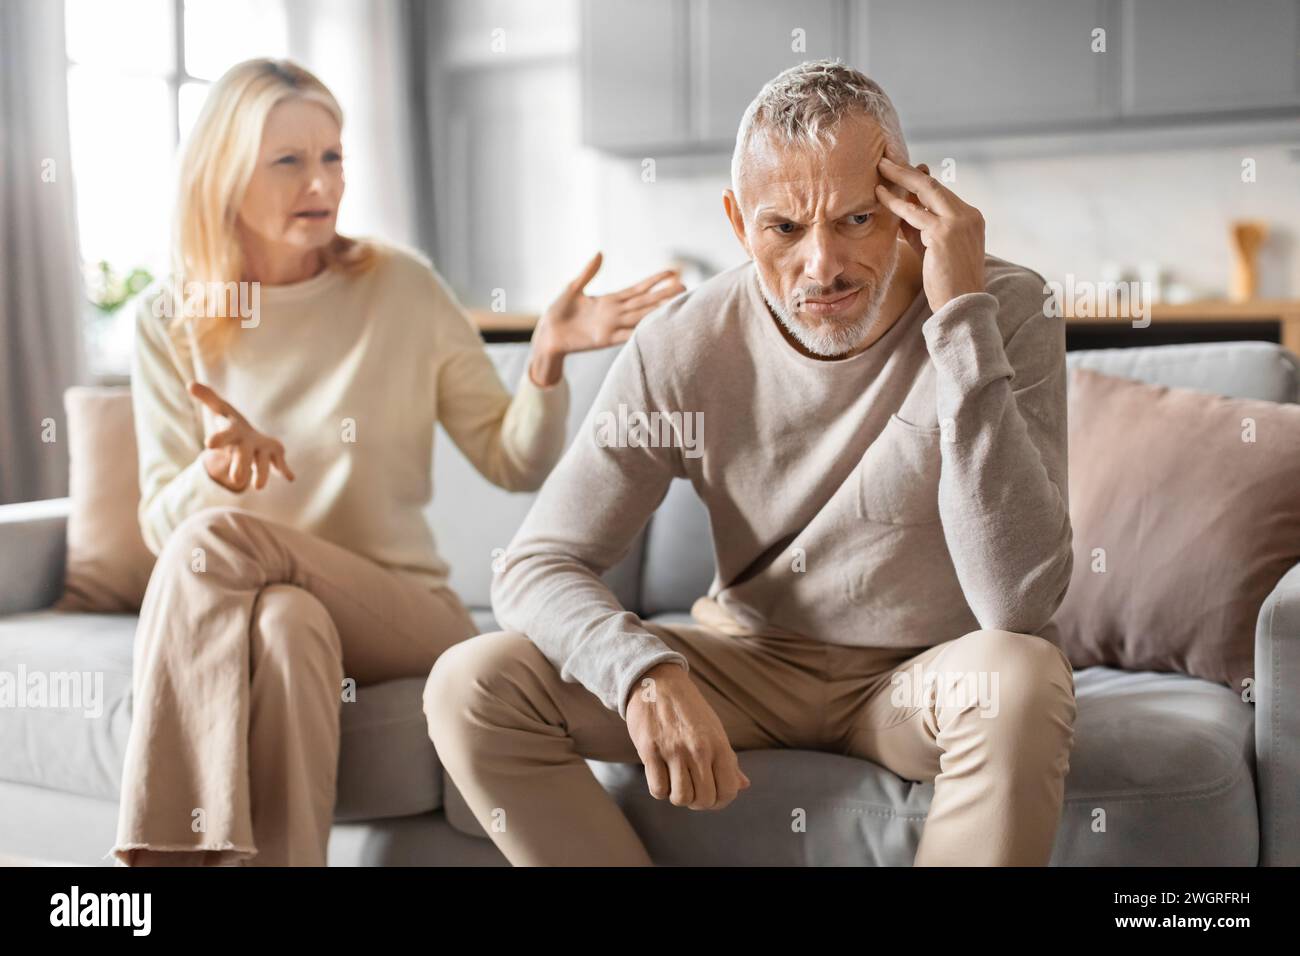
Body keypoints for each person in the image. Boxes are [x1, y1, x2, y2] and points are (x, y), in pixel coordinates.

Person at [424, 59, 1077, 866]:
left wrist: (960, 323)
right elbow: (536, 564)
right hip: (752, 664)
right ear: (738, 223)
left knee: (1020, 674)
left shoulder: (1003, 309)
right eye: (785, 229)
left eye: (858, 219)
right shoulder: (683, 342)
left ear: (913, 201)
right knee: (471, 683)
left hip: (925, 681)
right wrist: (639, 673)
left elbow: (1016, 604)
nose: (823, 266)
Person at [110, 58, 683, 866]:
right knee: (286, 623)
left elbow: (512, 461)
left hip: (403, 613)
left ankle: (154, 861)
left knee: (228, 541)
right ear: (223, 172)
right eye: (290, 160)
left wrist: (547, 359)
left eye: (333, 155)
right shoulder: (171, 319)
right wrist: (215, 471)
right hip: (267, 608)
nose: (322, 182)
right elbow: (163, 530)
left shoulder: (399, 288)